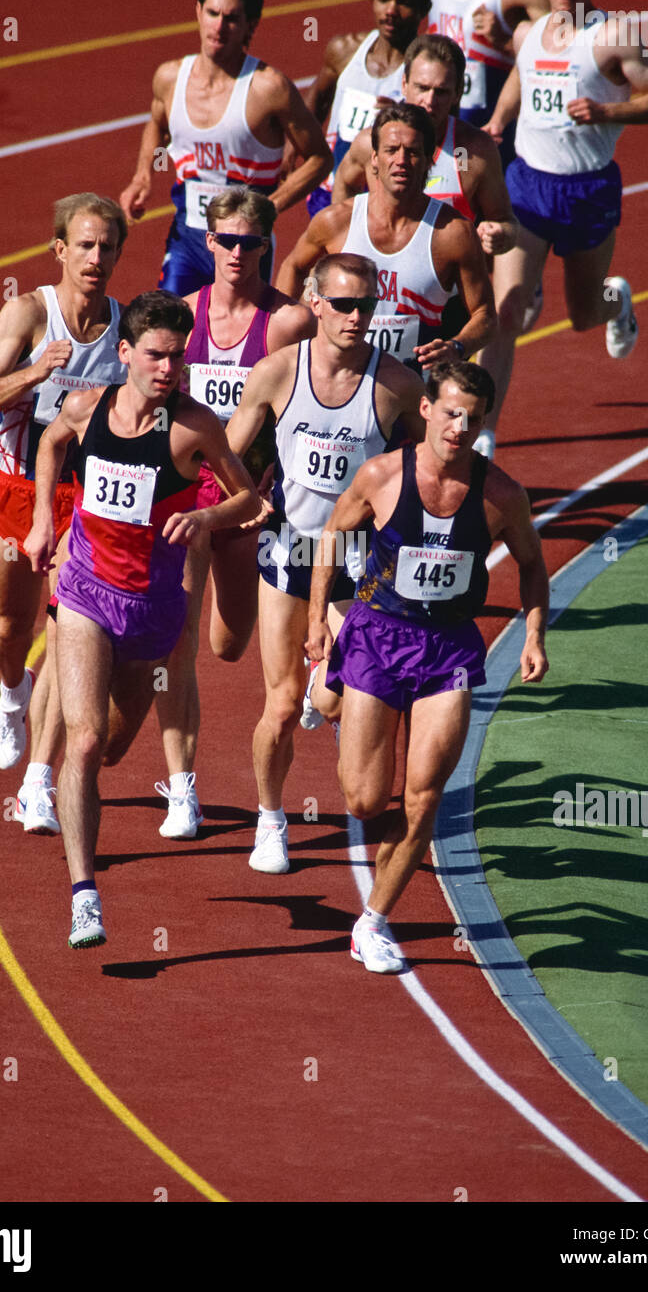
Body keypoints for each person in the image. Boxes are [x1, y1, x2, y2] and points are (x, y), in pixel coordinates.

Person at [23, 292, 257, 948]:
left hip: (153, 611)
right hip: (85, 593)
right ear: (124, 354)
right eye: (155, 354)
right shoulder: (86, 407)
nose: (168, 367)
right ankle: (84, 895)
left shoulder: (193, 427)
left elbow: (246, 499)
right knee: (87, 737)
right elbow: (52, 444)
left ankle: (87, 807)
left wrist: (206, 517)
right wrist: (46, 517)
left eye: (177, 356)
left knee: (117, 747)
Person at [307, 359, 549, 972]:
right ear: (425, 411)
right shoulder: (383, 475)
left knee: (423, 799)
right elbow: (332, 535)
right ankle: (327, 691)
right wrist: (317, 620)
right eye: (448, 413)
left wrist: (534, 636)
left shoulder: (501, 495)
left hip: (447, 650)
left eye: (471, 418)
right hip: (378, 636)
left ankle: (373, 922)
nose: (458, 428)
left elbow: (531, 565)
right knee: (364, 801)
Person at [225, 253, 427, 875]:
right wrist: (248, 496)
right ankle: (270, 819)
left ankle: (326, 691)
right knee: (281, 708)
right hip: (289, 554)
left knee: (338, 701)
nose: (356, 317)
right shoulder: (276, 372)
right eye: (343, 304)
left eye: (367, 306)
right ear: (315, 304)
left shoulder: (396, 385)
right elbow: (223, 451)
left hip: (358, 565)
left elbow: (419, 473)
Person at [0, 193, 127, 834]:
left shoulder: (124, 327)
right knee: (10, 627)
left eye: (106, 247)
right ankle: (11, 695)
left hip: (83, 504)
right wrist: (34, 371)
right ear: (60, 250)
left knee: (65, 636)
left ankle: (39, 780)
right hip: (16, 489)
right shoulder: (28, 314)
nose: (95, 258)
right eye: (84, 245)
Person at [153, 187, 315, 839]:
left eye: (250, 242)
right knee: (181, 644)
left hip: (250, 508)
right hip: (192, 504)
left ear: (266, 246)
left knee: (228, 645)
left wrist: (274, 486)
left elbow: (309, 412)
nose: (236, 253)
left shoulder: (287, 324)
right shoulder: (180, 317)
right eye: (225, 240)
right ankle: (182, 791)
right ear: (207, 240)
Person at [477, 0, 648, 450]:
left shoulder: (614, 37)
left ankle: (617, 302)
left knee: (583, 316)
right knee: (508, 313)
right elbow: (523, 74)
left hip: (586, 192)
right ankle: (485, 434)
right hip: (526, 187)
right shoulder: (529, 32)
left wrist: (609, 110)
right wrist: (499, 118)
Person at [118, 0, 331, 294]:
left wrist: (271, 206)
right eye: (212, 13)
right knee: (169, 332)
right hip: (188, 239)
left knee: (240, 341)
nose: (219, 26)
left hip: (243, 247)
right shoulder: (169, 78)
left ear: (250, 24)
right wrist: (142, 176)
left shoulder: (268, 88)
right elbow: (157, 123)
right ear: (198, 12)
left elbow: (320, 158)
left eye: (231, 18)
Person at [276, 102, 496, 374]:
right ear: (374, 158)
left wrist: (458, 347)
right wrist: (285, 332)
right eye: (391, 150)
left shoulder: (454, 232)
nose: (401, 161)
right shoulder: (335, 222)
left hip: (413, 393)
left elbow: (485, 316)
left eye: (413, 152)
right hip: (339, 383)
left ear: (430, 160)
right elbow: (293, 266)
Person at [333, 33, 516, 256]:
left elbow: (505, 222)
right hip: (383, 285)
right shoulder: (368, 143)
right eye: (422, 87)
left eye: (441, 92)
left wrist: (498, 235)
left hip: (446, 286)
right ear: (404, 83)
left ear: (458, 93)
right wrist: (349, 243)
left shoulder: (475, 152)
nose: (429, 102)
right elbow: (344, 182)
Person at [421, 0, 548, 168]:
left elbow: (555, 57)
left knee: (486, 206)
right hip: (435, 120)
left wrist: (503, 42)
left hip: (489, 130)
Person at [303, 0, 434, 215]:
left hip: (388, 202)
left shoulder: (427, 72)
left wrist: (405, 115)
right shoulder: (344, 50)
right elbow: (318, 97)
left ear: (424, 9)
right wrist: (292, 152)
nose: (391, 11)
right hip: (331, 192)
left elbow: (442, 132)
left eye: (404, 3)